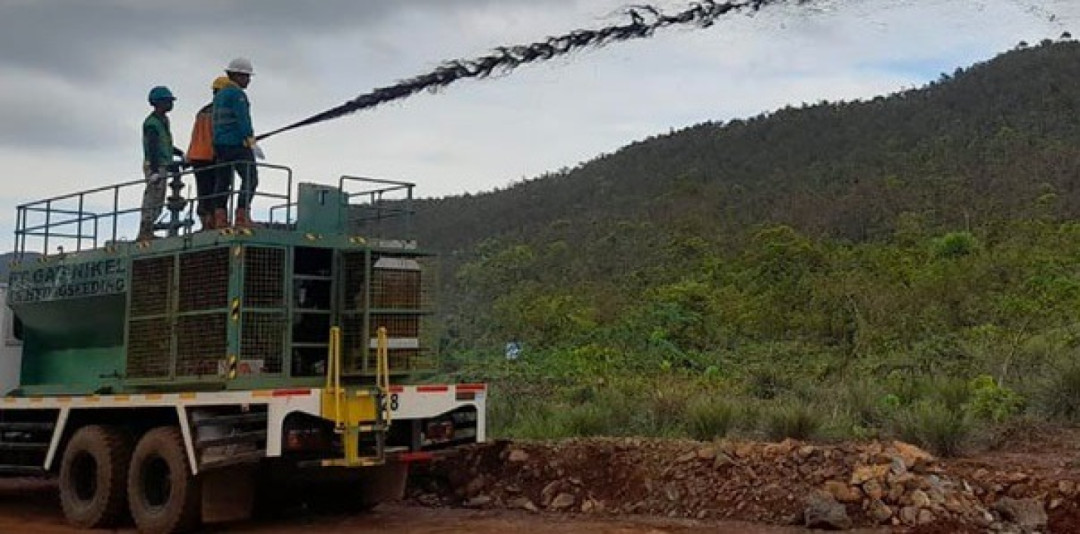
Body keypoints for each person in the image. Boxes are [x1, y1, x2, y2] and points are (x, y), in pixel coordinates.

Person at [213, 57, 260, 228]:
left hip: (220, 146)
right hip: (237, 145)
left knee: (223, 182)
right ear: (237, 75)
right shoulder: (237, 95)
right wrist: (251, 141)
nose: (248, 80)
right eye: (246, 76)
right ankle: (242, 217)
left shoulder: (220, 96)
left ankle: (220, 219)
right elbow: (243, 120)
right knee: (251, 178)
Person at [139, 86, 185, 241]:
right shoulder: (152, 123)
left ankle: (149, 229)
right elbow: (153, 147)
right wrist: (153, 171)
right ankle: (145, 230)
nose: (171, 104)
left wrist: (180, 154)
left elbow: (165, 145)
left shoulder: (163, 121)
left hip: (162, 164)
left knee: (159, 198)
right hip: (155, 165)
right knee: (153, 196)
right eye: (168, 101)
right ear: (159, 103)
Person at [187, 76, 232, 231]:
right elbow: (219, 134)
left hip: (196, 156)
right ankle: (215, 221)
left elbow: (195, 135)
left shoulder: (202, 111)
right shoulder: (220, 111)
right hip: (212, 155)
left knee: (203, 191)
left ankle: (206, 222)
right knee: (218, 188)